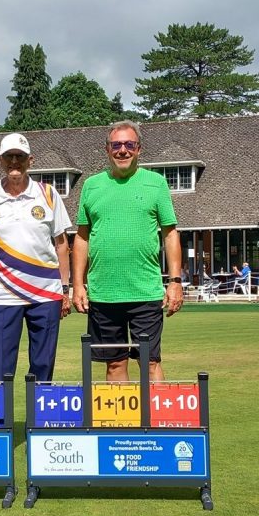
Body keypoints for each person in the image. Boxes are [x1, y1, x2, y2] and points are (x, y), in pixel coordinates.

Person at [72, 121, 183, 382]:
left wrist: (175, 282)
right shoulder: (92, 185)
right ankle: (120, 423)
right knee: (114, 364)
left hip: (145, 292)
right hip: (104, 294)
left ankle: (156, 422)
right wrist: (77, 285)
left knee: (151, 362)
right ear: (107, 149)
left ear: (139, 149)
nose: (123, 150)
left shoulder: (155, 183)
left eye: (129, 145)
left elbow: (170, 233)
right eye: (117, 145)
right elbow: (81, 237)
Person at [0, 133, 72, 383]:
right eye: (9, 157)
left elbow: (62, 244)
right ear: (0, 161)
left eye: (20, 157)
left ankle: (38, 422)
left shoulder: (48, 194)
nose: (14, 161)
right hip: (2, 297)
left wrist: (65, 290)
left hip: (45, 294)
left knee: (43, 365)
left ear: (30, 161)